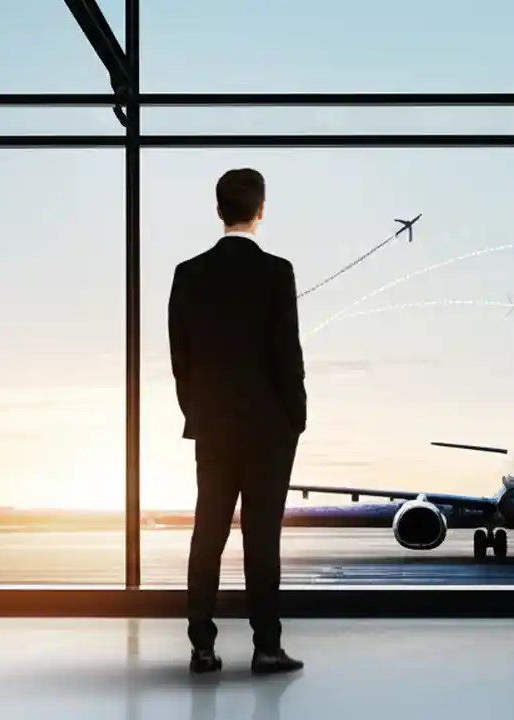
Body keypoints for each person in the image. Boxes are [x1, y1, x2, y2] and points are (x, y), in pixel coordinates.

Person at [169, 168, 307, 675]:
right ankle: (266, 647)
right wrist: (296, 415)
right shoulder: (277, 272)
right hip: (270, 428)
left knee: (207, 533)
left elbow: (179, 356)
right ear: (261, 208)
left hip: (214, 426)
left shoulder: (189, 273)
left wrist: (197, 411)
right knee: (261, 537)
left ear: (219, 209)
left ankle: (202, 647)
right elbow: (285, 353)